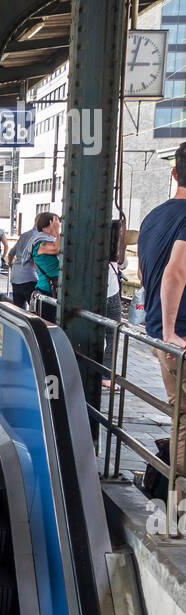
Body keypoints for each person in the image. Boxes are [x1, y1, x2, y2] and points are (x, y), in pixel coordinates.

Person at [137, 142, 186, 491]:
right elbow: (174, 273)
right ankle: (176, 492)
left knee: (180, 415)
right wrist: (171, 332)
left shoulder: (153, 217)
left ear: (174, 174)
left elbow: (144, 276)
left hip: (160, 332)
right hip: (179, 337)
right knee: (183, 422)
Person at [103, 217, 125, 389]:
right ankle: (106, 375)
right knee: (112, 336)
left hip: (99, 296)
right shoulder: (115, 251)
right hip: (113, 294)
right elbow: (124, 263)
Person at [31, 212, 62, 322]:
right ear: (46, 227)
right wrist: (57, 231)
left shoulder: (41, 242)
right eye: (55, 224)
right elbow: (58, 249)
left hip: (49, 289)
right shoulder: (41, 244)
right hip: (46, 291)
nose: (58, 226)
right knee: (48, 325)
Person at [7, 225, 41, 310]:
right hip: (30, 277)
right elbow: (36, 260)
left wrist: (11, 265)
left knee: (19, 312)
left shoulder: (24, 235)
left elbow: (11, 253)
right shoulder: (40, 237)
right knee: (35, 311)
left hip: (16, 277)